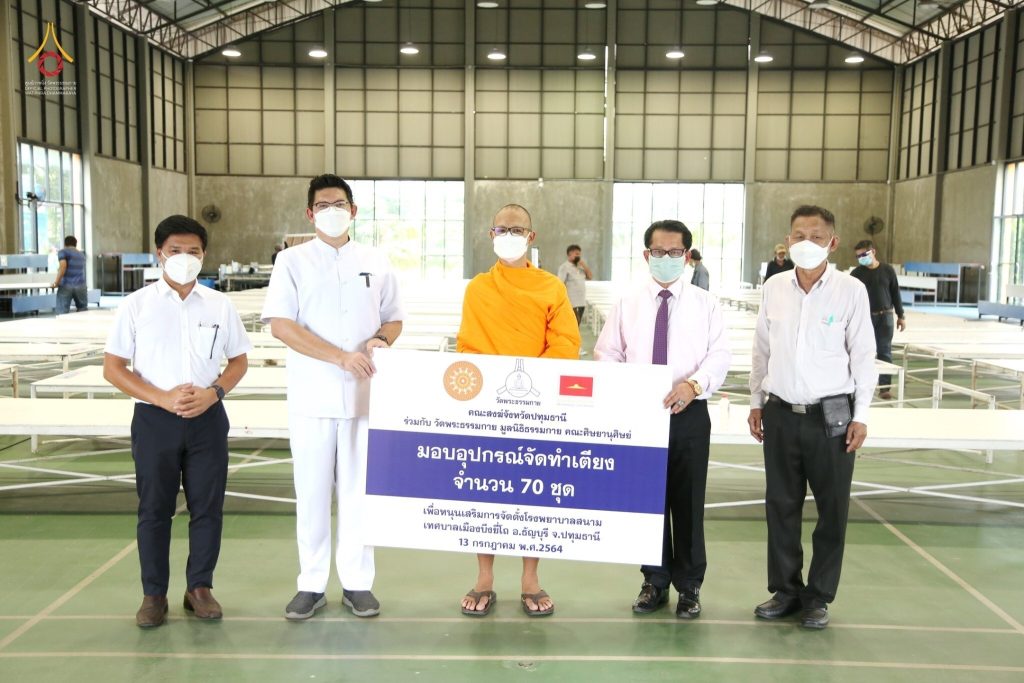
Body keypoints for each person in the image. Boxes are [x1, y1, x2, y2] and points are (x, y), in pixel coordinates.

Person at [262, 174, 404, 621]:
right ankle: (311, 582)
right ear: (310, 213)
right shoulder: (292, 261)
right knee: (312, 492)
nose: (331, 210)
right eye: (322, 204)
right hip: (312, 395)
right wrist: (339, 356)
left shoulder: (376, 260)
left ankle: (358, 583)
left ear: (354, 210)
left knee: (360, 492)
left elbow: (394, 319)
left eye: (339, 203)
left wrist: (380, 339)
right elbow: (282, 326)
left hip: (365, 396)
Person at [103, 215, 252, 628]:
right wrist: (162, 398)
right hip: (155, 419)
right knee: (155, 508)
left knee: (207, 507)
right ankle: (153, 595)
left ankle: (199, 588)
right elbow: (114, 367)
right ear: (159, 254)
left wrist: (214, 393)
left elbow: (239, 360)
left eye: (193, 252)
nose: (184, 258)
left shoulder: (220, 305)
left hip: (208, 419)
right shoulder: (136, 306)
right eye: (175, 251)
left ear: (204, 256)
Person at [747, 205, 876, 630]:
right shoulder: (775, 287)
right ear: (788, 240)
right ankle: (785, 590)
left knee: (831, 509)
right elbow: (761, 349)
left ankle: (818, 597)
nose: (806, 243)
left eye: (816, 236)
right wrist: (756, 400)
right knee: (781, 506)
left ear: (832, 243)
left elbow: (863, 356)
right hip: (782, 412)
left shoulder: (851, 291)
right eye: (799, 235)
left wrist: (861, 415)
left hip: (833, 417)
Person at [595, 220, 730, 620]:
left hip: (689, 413)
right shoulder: (628, 303)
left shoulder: (706, 304)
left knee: (688, 502)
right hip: (640, 416)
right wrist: (629, 386)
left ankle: (689, 587)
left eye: (675, 253)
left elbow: (719, 356)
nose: (667, 259)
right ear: (645, 255)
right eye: (659, 252)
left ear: (687, 257)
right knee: (648, 503)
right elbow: (607, 353)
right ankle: (654, 581)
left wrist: (693, 384)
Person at [457, 203, 581, 618]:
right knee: (484, 496)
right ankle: (484, 578)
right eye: (501, 228)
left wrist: (532, 385)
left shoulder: (551, 287)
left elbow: (566, 344)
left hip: (537, 405)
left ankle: (530, 579)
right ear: (491, 235)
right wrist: (492, 389)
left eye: (518, 228)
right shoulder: (477, 288)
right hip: (488, 407)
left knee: (533, 493)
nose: (509, 234)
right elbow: (468, 349)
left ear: (531, 236)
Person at [850, 240, 906, 400]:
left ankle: (884, 388)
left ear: (873, 251)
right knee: (862, 352)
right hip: (865, 318)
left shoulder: (887, 270)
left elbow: (895, 293)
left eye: (863, 254)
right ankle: (859, 387)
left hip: (886, 317)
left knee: (884, 352)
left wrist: (901, 316)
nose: (861, 258)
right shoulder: (856, 274)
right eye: (858, 256)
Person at [557, 244, 593, 326]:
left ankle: (574, 338)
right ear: (569, 254)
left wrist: (584, 265)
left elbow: (590, 276)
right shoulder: (564, 267)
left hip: (581, 301)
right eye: (576, 254)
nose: (578, 256)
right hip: (571, 302)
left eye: (579, 254)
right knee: (573, 325)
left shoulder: (581, 267)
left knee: (577, 324)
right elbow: (560, 284)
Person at [53, 235, 88, 313]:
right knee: (83, 311)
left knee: (62, 312)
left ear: (65, 244)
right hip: (81, 285)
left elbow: (63, 267)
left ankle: (63, 325)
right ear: (76, 244)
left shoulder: (63, 252)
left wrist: (56, 282)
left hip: (66, 285)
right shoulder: (81, 255)